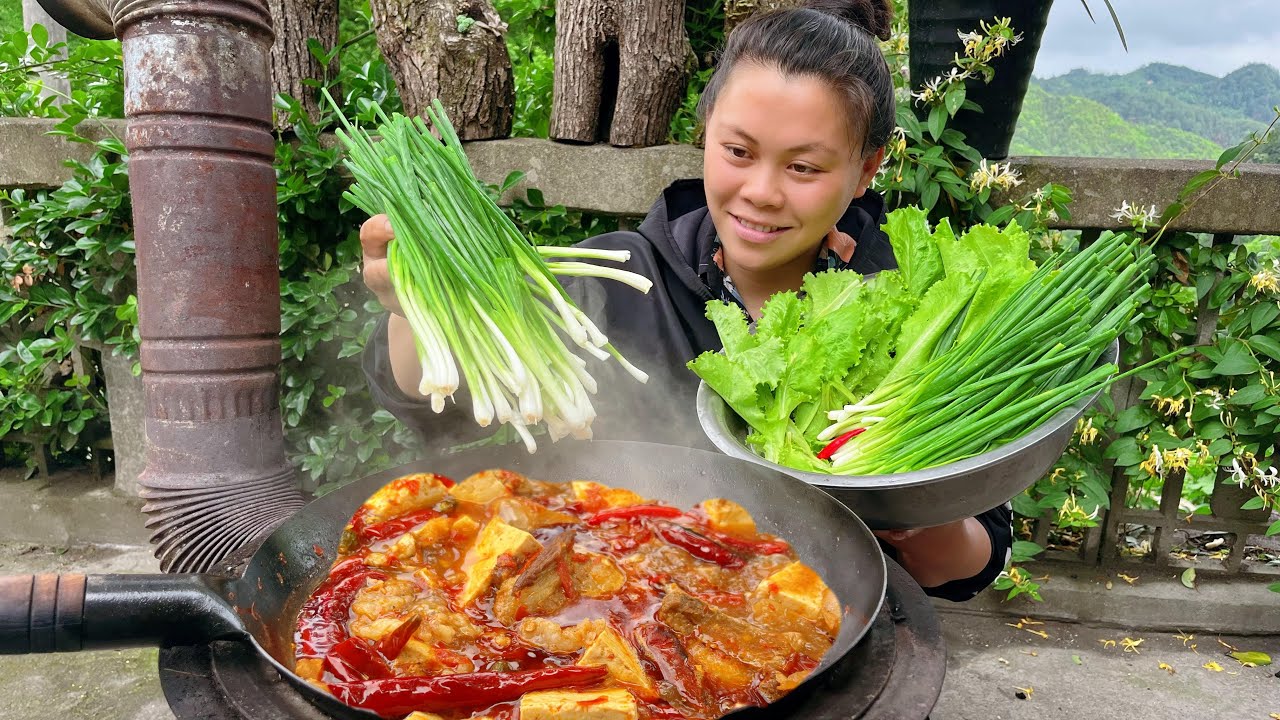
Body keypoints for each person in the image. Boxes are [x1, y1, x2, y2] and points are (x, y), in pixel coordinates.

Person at [357, 0, 1012, 601]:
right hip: (608, 607)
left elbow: (967, 562)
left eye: (803, 167)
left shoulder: (915, 311)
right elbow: (440, 408)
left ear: (866, 170)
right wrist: (414, 306)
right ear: (704, 135)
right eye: (737, 151)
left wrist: (897, 502)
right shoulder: (613, 277)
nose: (761, 191)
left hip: (835, 632)